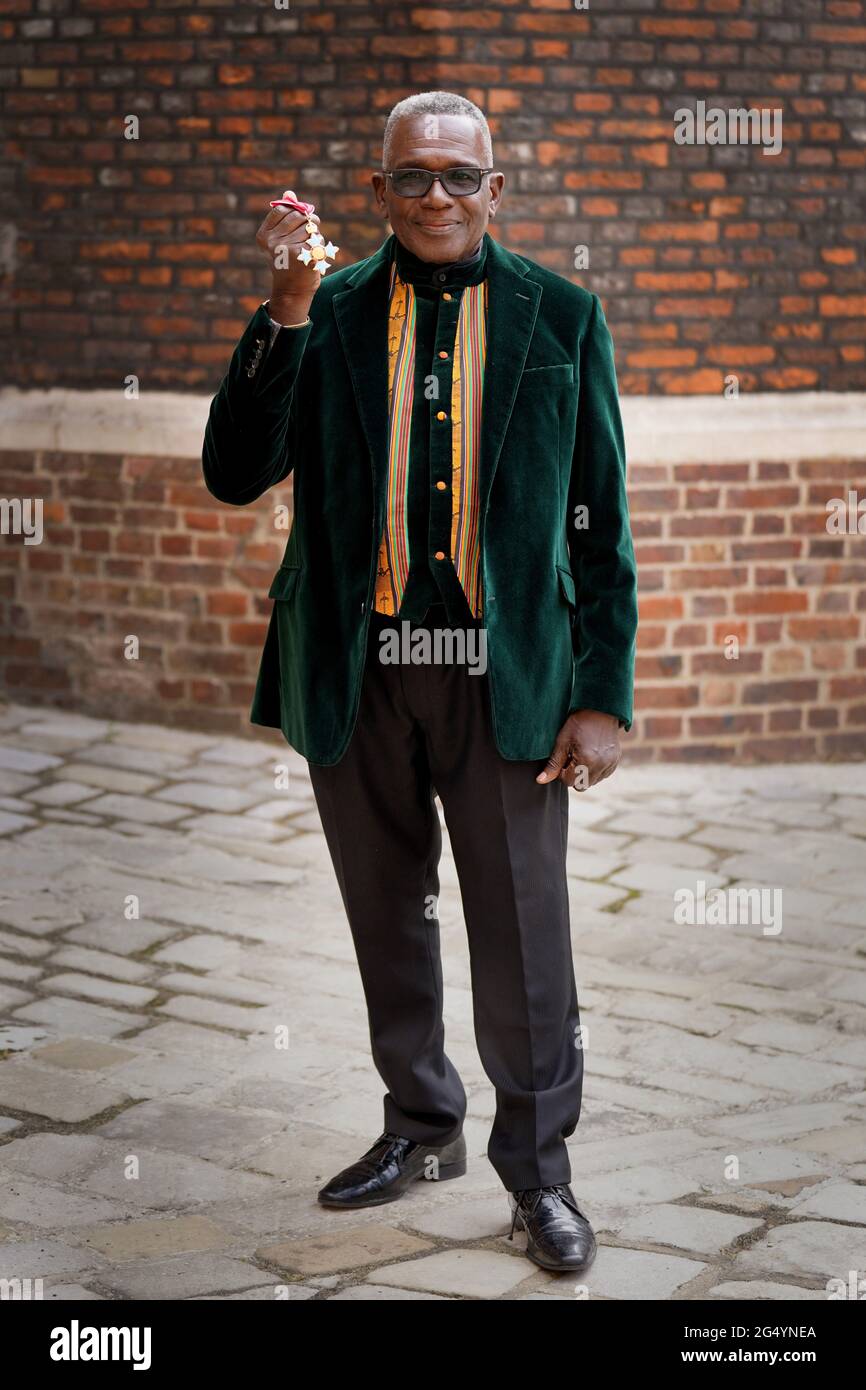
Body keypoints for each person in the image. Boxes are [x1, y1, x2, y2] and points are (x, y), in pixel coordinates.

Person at [202, 90, 638, 1274]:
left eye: (459, 175)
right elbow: (236, 472)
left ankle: (537, 1175)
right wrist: (281, 314)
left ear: (495, 190)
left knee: (521, 937)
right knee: (387, 918)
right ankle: (419, 1125)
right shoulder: (329, 311)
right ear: (378, 191)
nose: (435, 196)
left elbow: (599, 528)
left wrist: (602, 694)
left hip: (505, 681)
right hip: (361, 670)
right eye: (412, 177)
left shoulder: (562, 315)